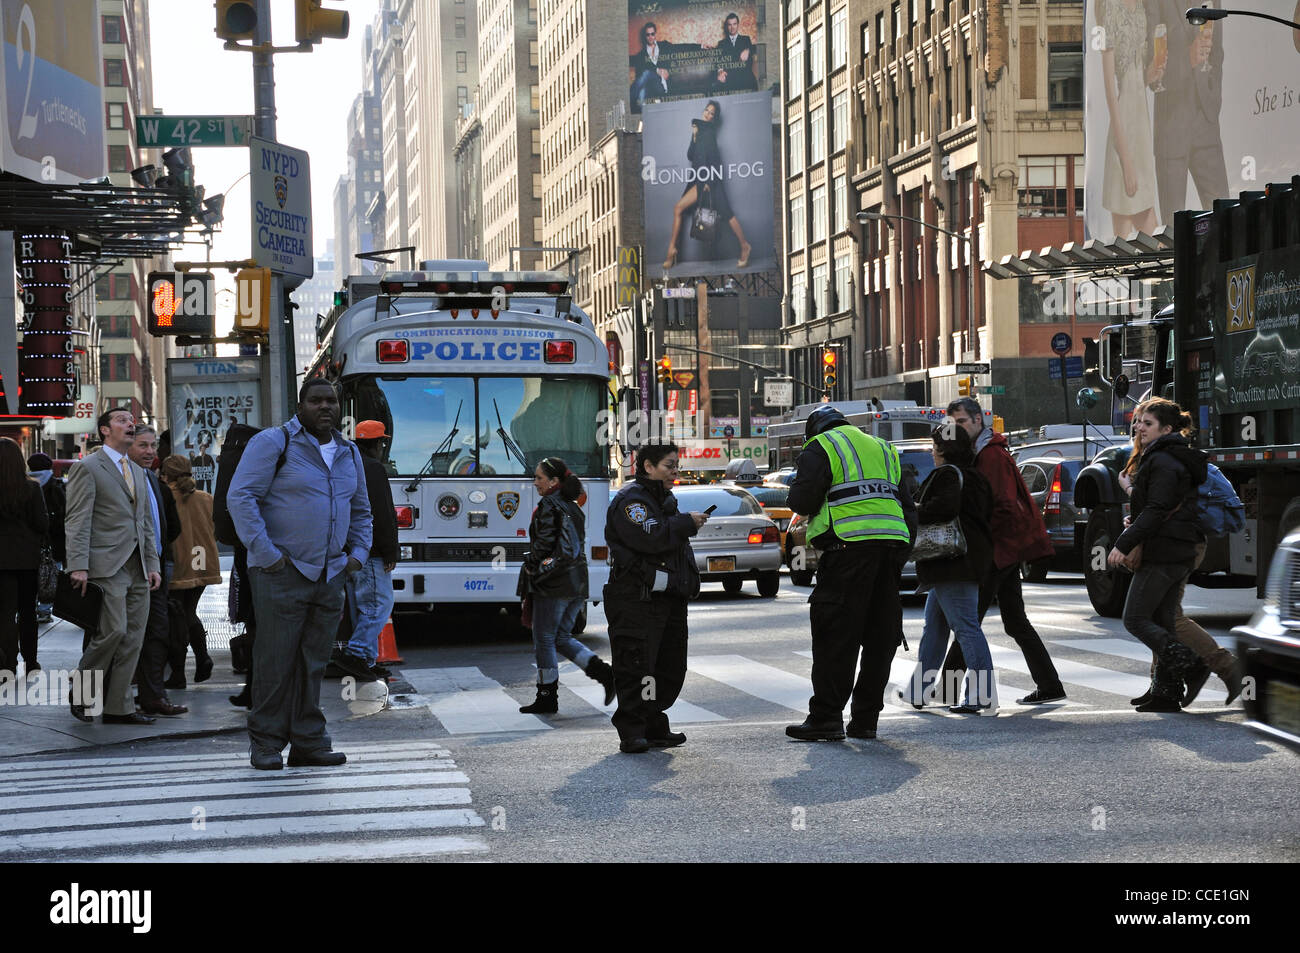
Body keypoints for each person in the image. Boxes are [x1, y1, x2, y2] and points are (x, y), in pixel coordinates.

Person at [227, 379, 372, 770]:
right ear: (300, 405)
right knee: (275, 662)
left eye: (331, 401)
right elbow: (241, 498)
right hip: (281, 572)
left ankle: (309, 741)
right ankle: (267, 744)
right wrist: (268, 555)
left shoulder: (348, 452)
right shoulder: (274, 443)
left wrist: (356, 556)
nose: (325, 407)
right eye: (316, 401)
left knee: (313, 663)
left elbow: (361, 510)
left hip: (331, 574)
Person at [785, 405, 915, 741]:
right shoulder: (884, 449)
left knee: (835, 637)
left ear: (813, 430)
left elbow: (802, 501)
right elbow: (907, 508)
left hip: (846, 551)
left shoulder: (821, 446)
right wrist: (899, 554)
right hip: (889, 553)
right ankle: (866, 720)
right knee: (880, 639)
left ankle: (827, 718)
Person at [939, 398, 1067, 705]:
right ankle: (1049, 684)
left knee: (968, 621)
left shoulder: (991, 455)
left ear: (977, 421)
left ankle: (947, 690)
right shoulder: (983, 452)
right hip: (1006, 548)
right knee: (1013, 621)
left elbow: (1003, 504)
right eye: (951, 424)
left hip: (999, 549)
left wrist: (984, 541)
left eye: (961, 423)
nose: (955, 429)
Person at [1109, 398, 1212, 711]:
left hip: (1165, 551)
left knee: (1135, 619)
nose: (1139, 428)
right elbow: (1155, 505)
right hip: (1177, 547)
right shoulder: (1165, 456)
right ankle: (1166, 693)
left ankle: (1193, 666)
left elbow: (1158, 508)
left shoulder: (1164, 460)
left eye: (1147, 424)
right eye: (1139, 422)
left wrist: (1124, 542)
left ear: (1167, 429)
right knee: (1163, 621)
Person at [604, 443, 707, 753]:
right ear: (648, 466)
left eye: (676, 464)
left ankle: (653, 723)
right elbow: (653, 536)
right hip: (637, 600)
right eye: (668, 465)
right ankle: (632, 730)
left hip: (669, 599)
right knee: (636, 665)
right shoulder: (631, 501)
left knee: (669, 666)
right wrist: (687, 523)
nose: (675, 470)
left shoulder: (665, 500)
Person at [65, 407, 163, 725]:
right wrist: (78, 565)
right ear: (105, 430)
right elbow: (78, 519)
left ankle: (119, 707)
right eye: (122, 420)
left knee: (134, 637)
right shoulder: (89, 467)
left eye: (131, 421)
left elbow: (145, 522)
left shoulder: (136, 470)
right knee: (113, 631)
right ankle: (81, 689)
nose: (130, 424)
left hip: (137, 566)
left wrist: (152, 563)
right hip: (106, 564)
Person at [908, 424, 996, 713]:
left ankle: (980, 695)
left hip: (953, 563)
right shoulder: (976, 477)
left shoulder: (947, 475)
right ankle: (919, 691)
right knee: (933, 627)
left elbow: (944, 508)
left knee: (966, 628)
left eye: (935, 447)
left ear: (943, 450)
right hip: (959, 563)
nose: (933, 452)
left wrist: (914, 509)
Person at [516, 456, 615, 713]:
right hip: (576, 581)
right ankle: (604, 674)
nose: (535, 482)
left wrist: (532, 564)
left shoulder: (549, 504)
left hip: (554, 582)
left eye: (539, 477)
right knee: (561, 637)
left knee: (545, 639)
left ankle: (547, 696)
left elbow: (545, 544)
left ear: (554, 481)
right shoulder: (572, 506)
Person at [1146, 0, 1228, 227]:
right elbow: (1149, 65)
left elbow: (1217, 53)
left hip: (1206, 121)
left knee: (1226, 223)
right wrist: (1187, 59)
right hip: (1171, 125)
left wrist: (1214, 97)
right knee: (1174, 231)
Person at [128, 426, 186, 716]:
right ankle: (92, 695)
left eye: (153, 446)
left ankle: (153, 696)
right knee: (109, 635)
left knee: (156, 633)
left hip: (155, 571)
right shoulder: (119, 479)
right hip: (122, 571)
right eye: (143, 445)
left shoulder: (155, 482)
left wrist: (158, 562)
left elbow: (170, 527)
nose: (150, 452)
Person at [338, 420, 400, 682]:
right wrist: (390, 551)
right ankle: (357, 653)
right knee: (379, 605)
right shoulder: (373, 468)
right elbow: (381, 513)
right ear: (377, 444)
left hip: (350, 549)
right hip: (371, 550)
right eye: (382, 442)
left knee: (361, 607)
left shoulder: (347, 463)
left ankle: (366, 661)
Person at [662, 99, 753, 271]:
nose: (708, 114)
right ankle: (672, 250)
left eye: (712, 113)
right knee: (725, 214)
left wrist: (708, 183)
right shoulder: (699, 131)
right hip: (699, 180)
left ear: (714, 118)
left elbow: (716, 162)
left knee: (725, 214)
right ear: (704, 111)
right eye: (707, 111)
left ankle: (744, 246)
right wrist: (694, 136)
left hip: (708, 182)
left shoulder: (710, 133)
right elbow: (690, 155)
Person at [1098, 0, 1161, 236]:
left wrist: (1151, 74)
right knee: (1133, 235)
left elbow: (1138, 78)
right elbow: (1109, 90)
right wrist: (1126, 160)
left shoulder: (1143, 9)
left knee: (1132, 237)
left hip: (1141, 127)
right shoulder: (1110, 9)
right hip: (1124, 130)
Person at [160, 454, 221, 687]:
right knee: (188, 612)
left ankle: (178, 673)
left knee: (177, 617)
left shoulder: (165, 497)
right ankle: (202, 657)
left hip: (179, 561)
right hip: (203, 560)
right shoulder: (206, 498)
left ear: (166, 474)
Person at [0, 438, 48, 676]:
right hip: (27, 561)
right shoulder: (31, 488)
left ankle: (7, 663)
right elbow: (42, 523)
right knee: (28, 611)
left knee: (5, 613)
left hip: (1, 564)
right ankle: (31, 661)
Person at [27, 452, 65, 626]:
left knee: (31, 576)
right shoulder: (56, 486)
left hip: (31, 540)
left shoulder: (24, 485)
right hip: (54, 540)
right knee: (50, 576)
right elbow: (65, 513)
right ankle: (44, 609)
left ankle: (30, 606)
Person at [629, 21, 677, 107]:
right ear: (645, 36)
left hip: (661, 85)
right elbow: (632, 61)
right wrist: (657, 70)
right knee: (642, 91)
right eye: (648, 35)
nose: (650, 37)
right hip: (649, 87)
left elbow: (681, 47)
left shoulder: (664, 46)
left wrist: (701, 46)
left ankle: (628, 97)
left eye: (652, 34)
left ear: (655, 34)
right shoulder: (641, 55)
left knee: (646, 73)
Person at [711, 12, 757, 92]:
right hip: (730, 79)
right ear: (727, 26)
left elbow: (756, 48)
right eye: (729, 25)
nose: (732, 27)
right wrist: (720, 71)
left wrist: (748, 50)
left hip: (745, 77)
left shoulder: (746, 39)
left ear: (738, 25)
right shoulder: (721, 44)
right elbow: (717, 61)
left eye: (734, 24)